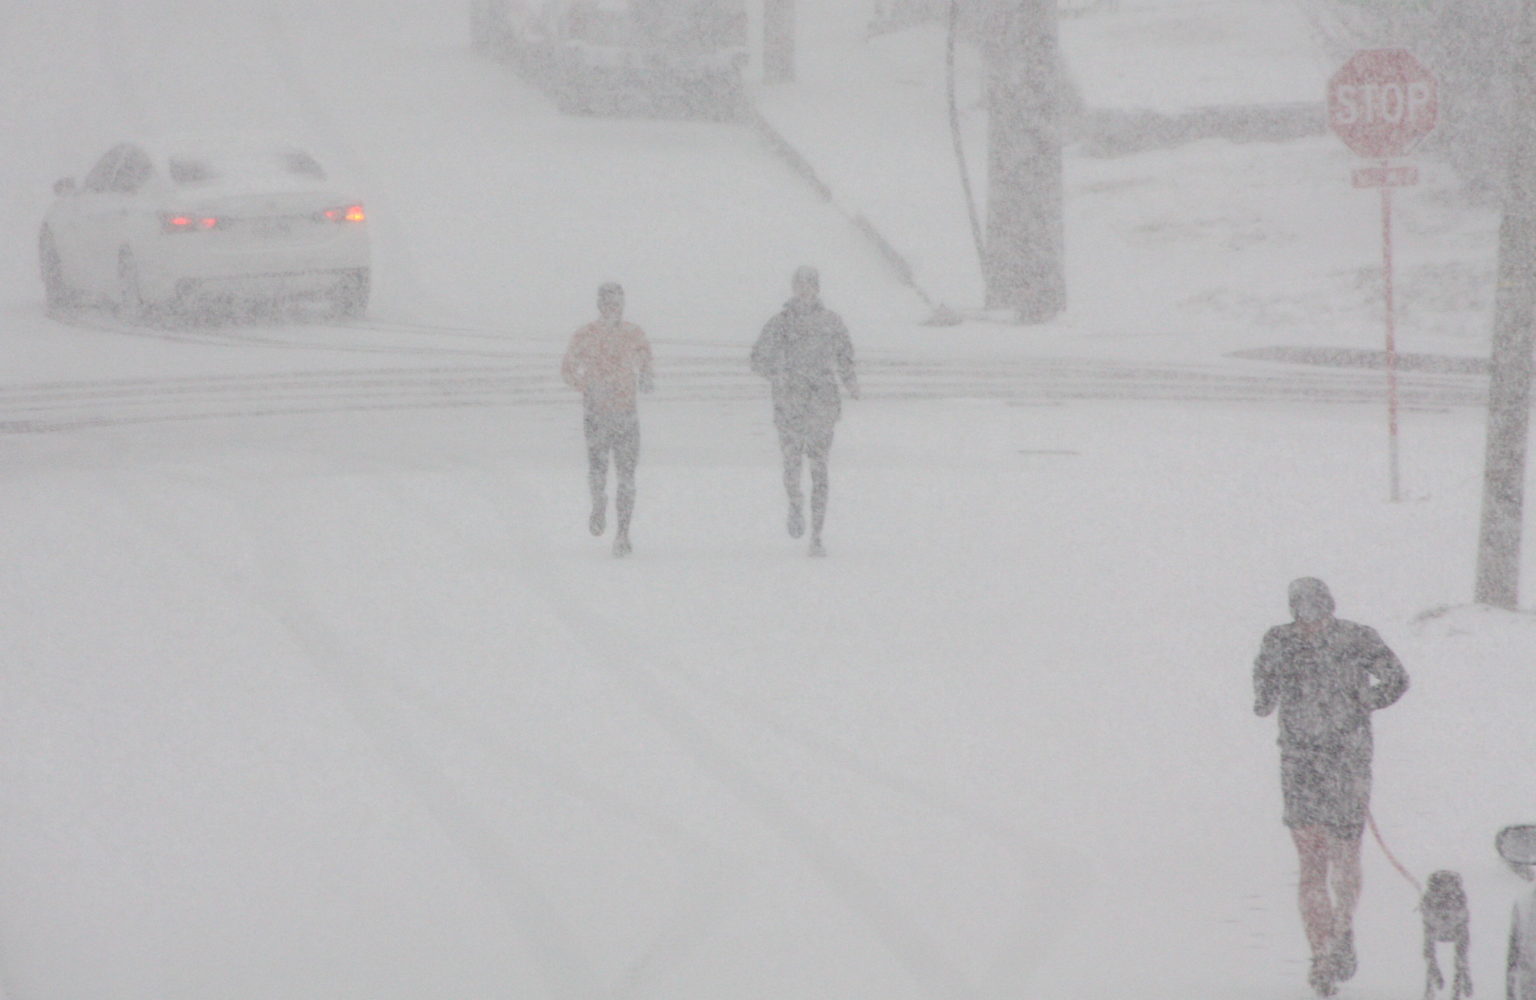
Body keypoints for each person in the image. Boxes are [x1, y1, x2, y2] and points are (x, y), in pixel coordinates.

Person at [1253, 577, 1409, 997]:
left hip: (1344, 761)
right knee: (1312, 861)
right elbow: (1263, 700)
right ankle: (1322, 955)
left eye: (1315, 609)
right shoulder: (1281, 641)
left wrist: (1361, 702)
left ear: (1328, 607)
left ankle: (1340, 931)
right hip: (1303, 763)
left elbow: (1396, 680)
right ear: (1293, 609)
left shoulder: (1356, 638)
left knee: (1342, 854)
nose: (1310, 619)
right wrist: (1272, 688)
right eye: (1303, 610)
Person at [750, 266, 859, 557]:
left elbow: (846, 355)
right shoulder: (780, 323)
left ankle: (817, 536)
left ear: (817, 289)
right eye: (800, 285)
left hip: (822, 405)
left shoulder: (831, 322)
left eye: (809, 285)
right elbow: (757, 358)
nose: (804, 290)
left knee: (820, 469)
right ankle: (796, 502)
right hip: (789, 406)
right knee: (792, 465)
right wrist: (779, 373)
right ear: (793, 288)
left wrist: (850, 381)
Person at [561, 282, 654, 557]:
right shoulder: (585, 334)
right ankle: (598, 502)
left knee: (627, 476)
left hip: (626, 413)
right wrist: (587, 387)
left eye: (618, 302)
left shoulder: (634, 333)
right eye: (609, 302)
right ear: (600, 305)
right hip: (596, 414)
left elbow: (647, 362)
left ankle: (623, 533)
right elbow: (567, 369)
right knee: (598, 471)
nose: (614, 307)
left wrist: (646, 378)